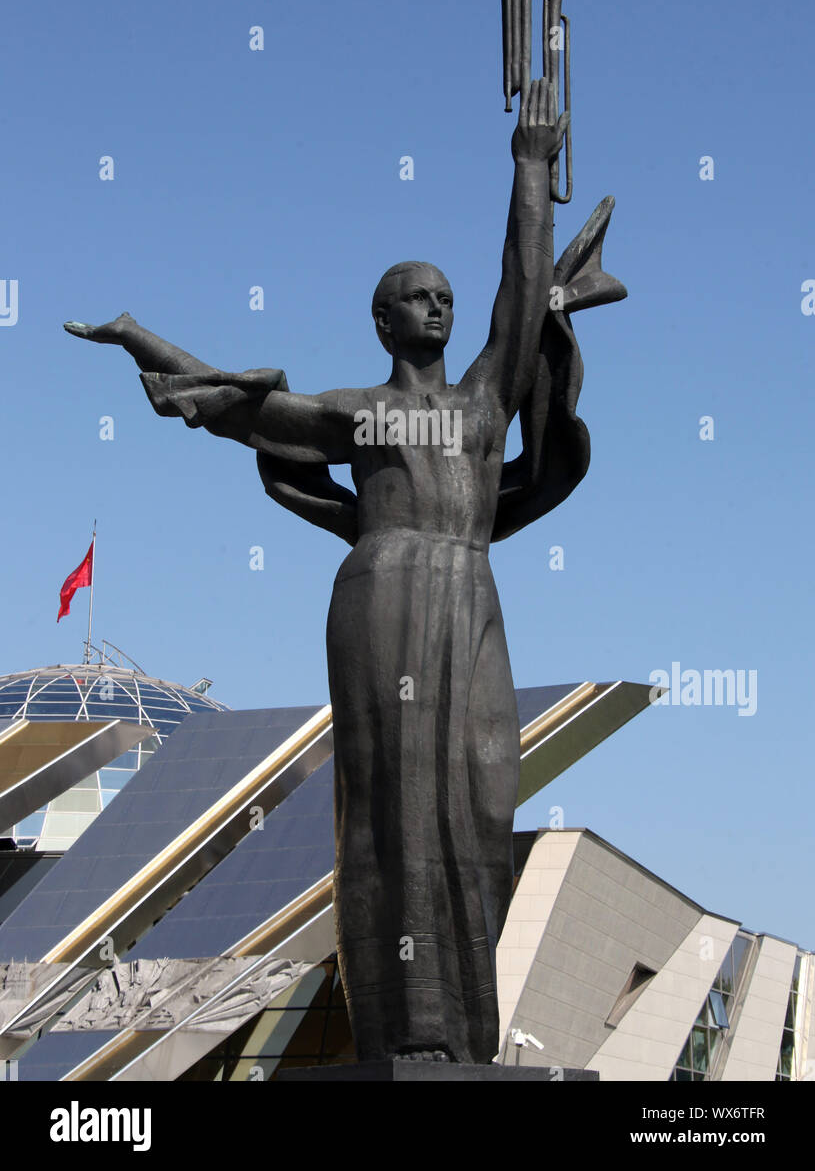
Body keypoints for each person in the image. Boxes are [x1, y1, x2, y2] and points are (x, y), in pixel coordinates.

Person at [65, 82, 624, 1064]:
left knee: (481, 794)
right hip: (382, 592)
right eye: (416, 294)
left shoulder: (486, 394)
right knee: (393, 799)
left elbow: (519, 285)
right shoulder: (358, 411)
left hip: (468, 590)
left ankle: (463, 1026)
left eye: (443, 294)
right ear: (381, 321)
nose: (438, 304)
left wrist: (529, 164)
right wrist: (143, 339)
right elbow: (247, 410)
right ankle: (407, 1026)